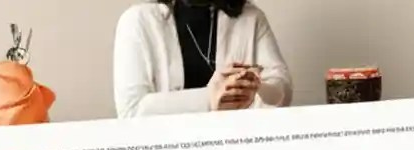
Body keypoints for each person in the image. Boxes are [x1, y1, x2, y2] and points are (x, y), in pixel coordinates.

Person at [113, 0, 292, 119]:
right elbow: (131, 110)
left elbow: (282, 90)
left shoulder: (252, 18)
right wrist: (209, 98)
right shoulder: (137, 21)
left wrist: (254, 87)